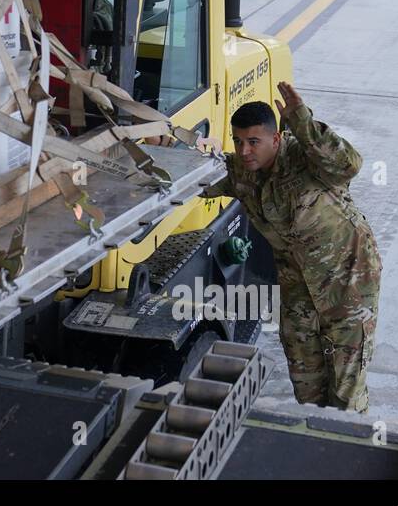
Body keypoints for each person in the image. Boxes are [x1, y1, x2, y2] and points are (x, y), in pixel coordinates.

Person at [148, 81, 382, 412]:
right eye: (239, 142)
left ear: (276, 139)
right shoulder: (243, 171)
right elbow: (202, 175)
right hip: (298, 284)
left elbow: (349, 165)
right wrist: (166, 146)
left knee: (345, 383)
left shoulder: (305, 159)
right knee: (306, 375)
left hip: (348, 279)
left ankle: (347, 440)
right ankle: (311, 433)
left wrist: (303, 122)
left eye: (254, 142)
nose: (245, 151)